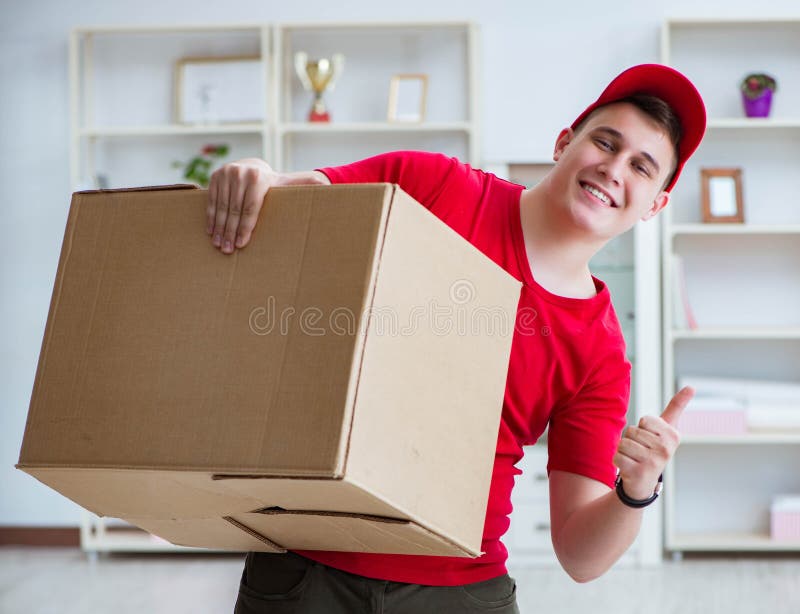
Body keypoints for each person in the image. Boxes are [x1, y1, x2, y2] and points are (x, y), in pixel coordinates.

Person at [206, 64, 706, 614]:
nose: (614, 169)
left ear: (655, 205)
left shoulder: (601, 352)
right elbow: (288, 200)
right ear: (565, 143)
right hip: (307, 566)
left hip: (459, 589)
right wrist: (257, 175)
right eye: (605, 143)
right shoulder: (432, 186)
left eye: (642, 166)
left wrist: (636, 489)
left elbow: (580, 557)